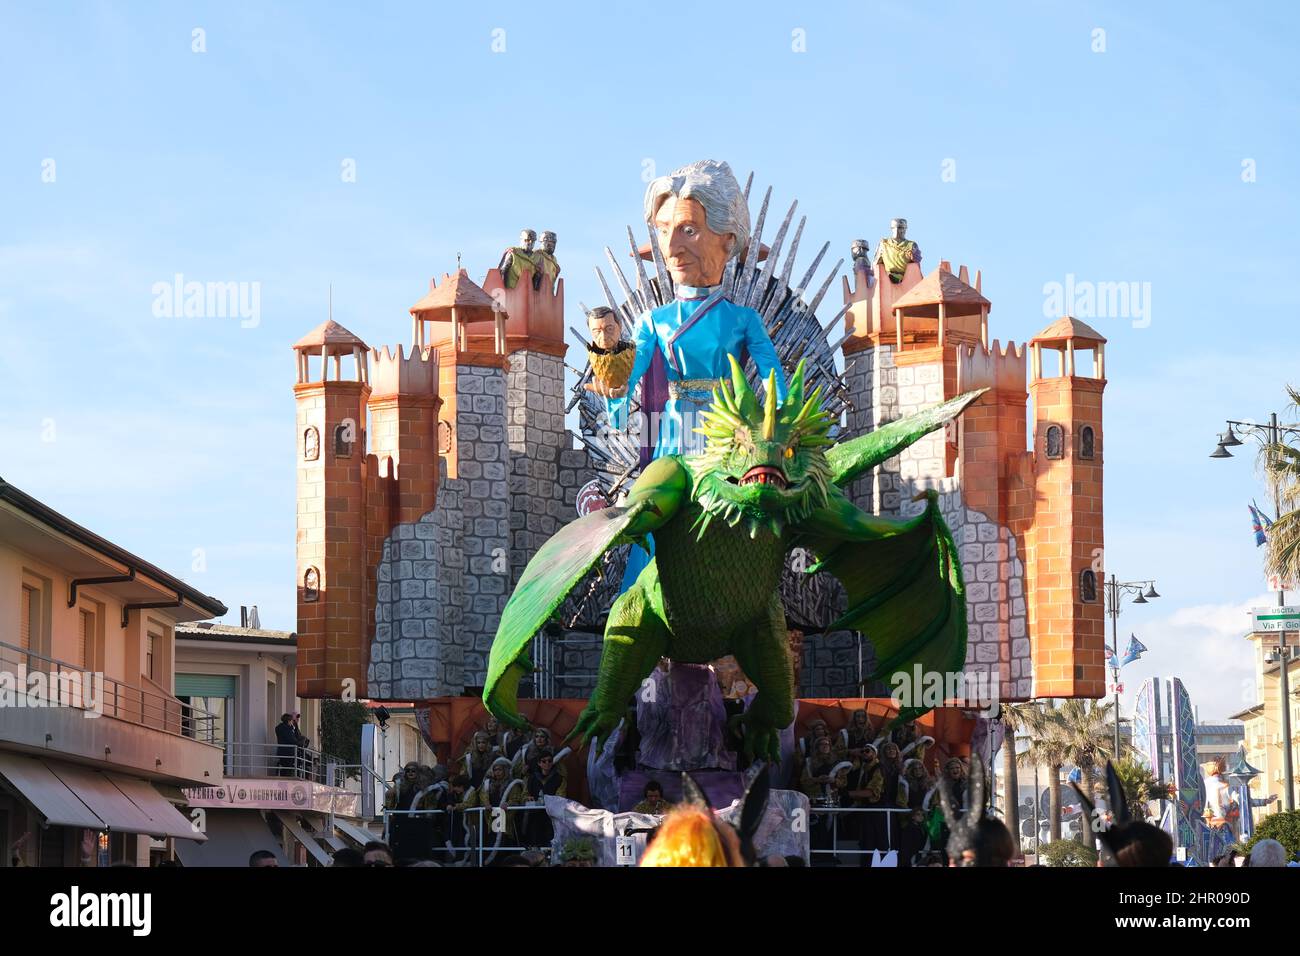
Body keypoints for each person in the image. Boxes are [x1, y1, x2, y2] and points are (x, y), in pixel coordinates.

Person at [586, 159, 787, 590]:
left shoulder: (743, 320)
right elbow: (629, 378)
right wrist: (614, 390)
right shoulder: (653, 321)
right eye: (663, 231)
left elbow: (774, 382)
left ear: (727, 239)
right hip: (674, 439)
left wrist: (782, 428)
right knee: (654, 515)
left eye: (689, 230)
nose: (672, 247)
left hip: (727, 436)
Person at [522, 749, 566, 849]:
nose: (547, 763)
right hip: (534, 816)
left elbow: (561, 795)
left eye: (550, 761)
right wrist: (527, 798)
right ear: (539, 763)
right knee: (535, 844)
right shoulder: (531, 778)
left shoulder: (560, 778)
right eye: (544, 761)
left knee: (550, 844)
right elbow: (524, 794)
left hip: (551, 816)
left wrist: (550, 801)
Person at [874, 218, 922, 283]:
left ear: (905, 229)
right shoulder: (884, 244)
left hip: (906, 279)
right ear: (891, 228)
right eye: (894, 227)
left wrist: (914, 257)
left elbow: (916, 265)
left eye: (900, 228)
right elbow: (876, 263)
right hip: (888, 278)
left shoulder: (911, 245)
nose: (897, 230)